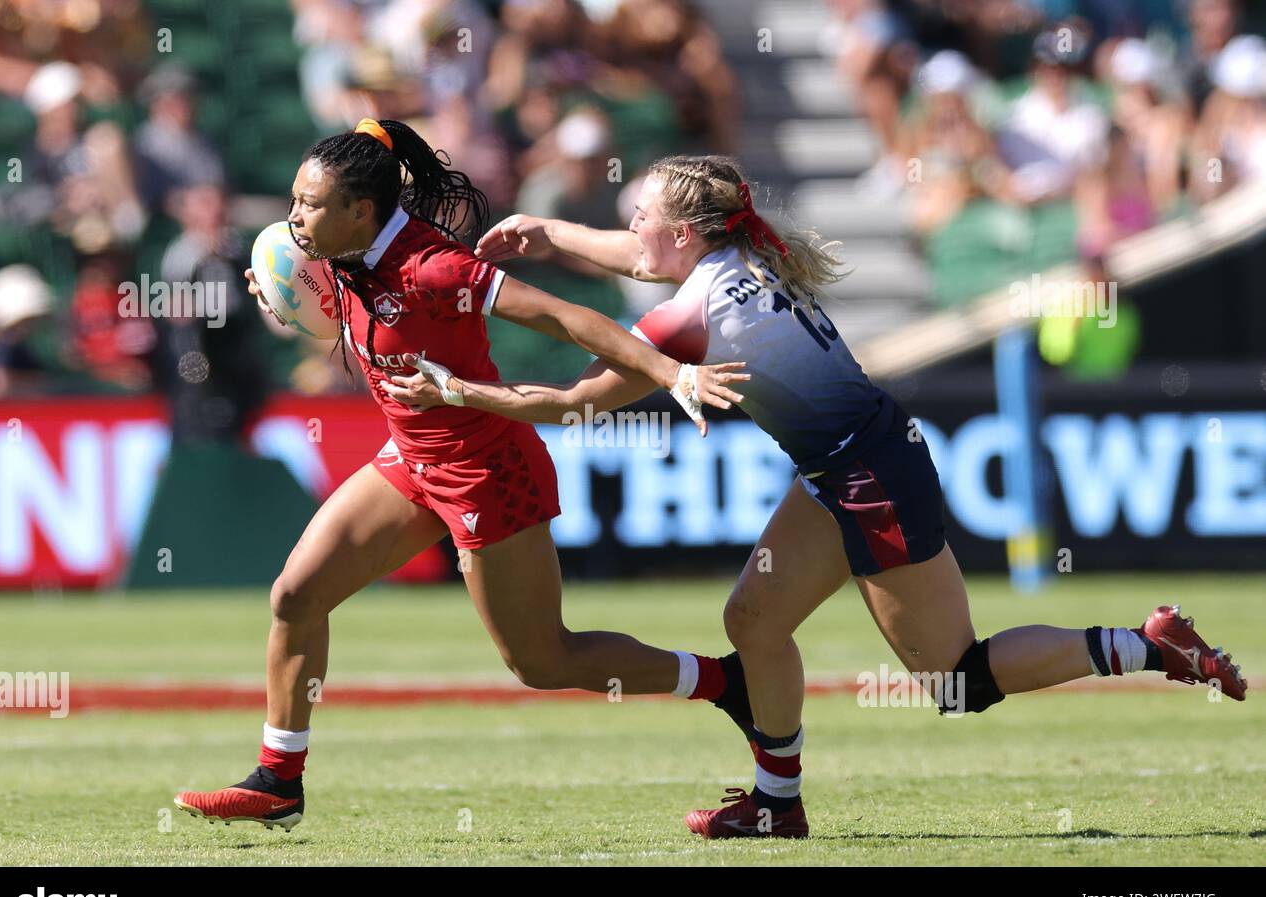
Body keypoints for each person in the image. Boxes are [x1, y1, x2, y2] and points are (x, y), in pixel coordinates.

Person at [387, 154, 1248, 840]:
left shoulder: (684, 315)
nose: (628, 229)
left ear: (686, 230)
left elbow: (576, 402)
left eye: (639, 214)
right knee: (754, 619)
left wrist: (460, 393)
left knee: (954, 680)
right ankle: (776, 801)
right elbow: (643, 258)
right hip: (848, 463)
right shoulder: (738, 254)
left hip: (867, 477)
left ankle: (1147, 647)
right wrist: (551, 234)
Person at [172, 119, 753, 831]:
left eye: (310, 203)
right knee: (295, 595)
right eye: (295, 199)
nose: (294, 216)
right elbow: (341, 285)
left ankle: (725, 681)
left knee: (542, 661)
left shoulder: (435, 269)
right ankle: (278, 780)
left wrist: (670, 372)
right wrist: (288, 304)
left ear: (360, 210)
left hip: (485, 471)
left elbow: (568, 318)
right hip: (411, 460)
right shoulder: (336, 245)